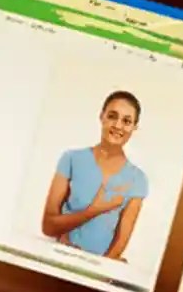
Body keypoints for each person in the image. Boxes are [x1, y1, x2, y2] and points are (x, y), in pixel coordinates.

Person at [40, 90, 149, 261]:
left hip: (95, 273)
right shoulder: (71, 159)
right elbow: (48, 227)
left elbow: (119, 245)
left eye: (127, 121)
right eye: (112, 116)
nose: (118, 126)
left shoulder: (137, 179)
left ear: (134, 127)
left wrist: (95, 273)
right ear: (102, 117)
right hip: (59, 259)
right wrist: (95, 210)